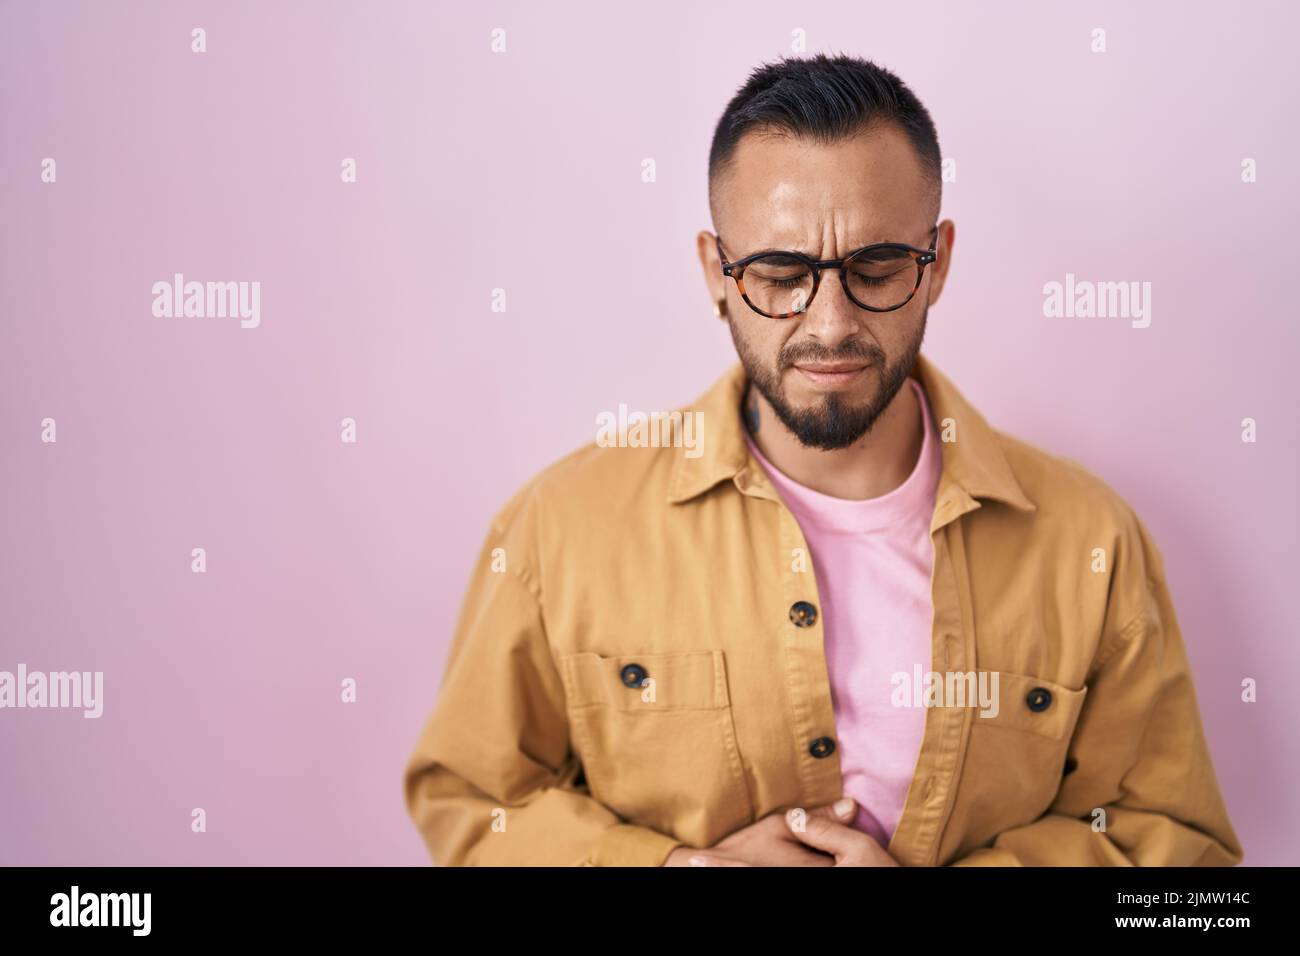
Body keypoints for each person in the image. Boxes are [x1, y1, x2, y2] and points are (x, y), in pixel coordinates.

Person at [403, 53, 1242, 867]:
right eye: (780, 272)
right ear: (716, 273)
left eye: (878, 267)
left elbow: (1178, 858)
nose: (831, 323)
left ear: (938, 262)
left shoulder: (1089, 541)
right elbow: (475, 804)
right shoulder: (560, 528)